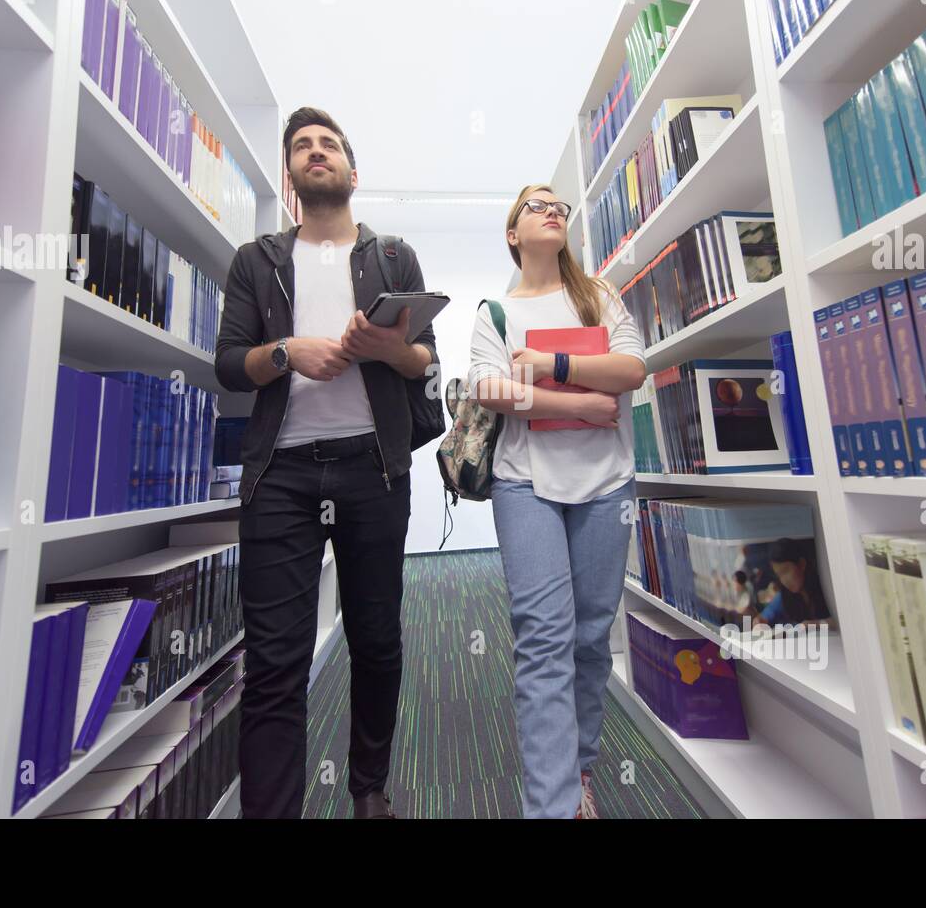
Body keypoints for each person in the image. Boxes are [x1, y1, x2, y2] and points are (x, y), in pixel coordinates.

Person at [215, 107, 438, 819]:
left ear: (351, 171)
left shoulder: (394, 257)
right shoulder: (257, 261)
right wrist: (288, 353)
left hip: (373, 472)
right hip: (280, 475)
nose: (316, 152)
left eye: (328, 144)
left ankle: (368, 788)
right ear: (290, 175)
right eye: (302, 146)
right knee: (274, 662)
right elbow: (227, 364)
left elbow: (426, 363)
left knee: (376, 638)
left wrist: (385, 350)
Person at [467, 184, 647, 819]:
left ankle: (580, 773)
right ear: (513, 233)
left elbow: (631, 371)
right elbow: (489, 390)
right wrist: (581, 403)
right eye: (536, 205)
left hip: (606, 485)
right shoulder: (494, 311)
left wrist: (547, 364)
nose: (554, 211)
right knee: (544, 640)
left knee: (591, 637)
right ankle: (551, 805)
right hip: (524, 486)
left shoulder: (596, 297)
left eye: (560, 207)